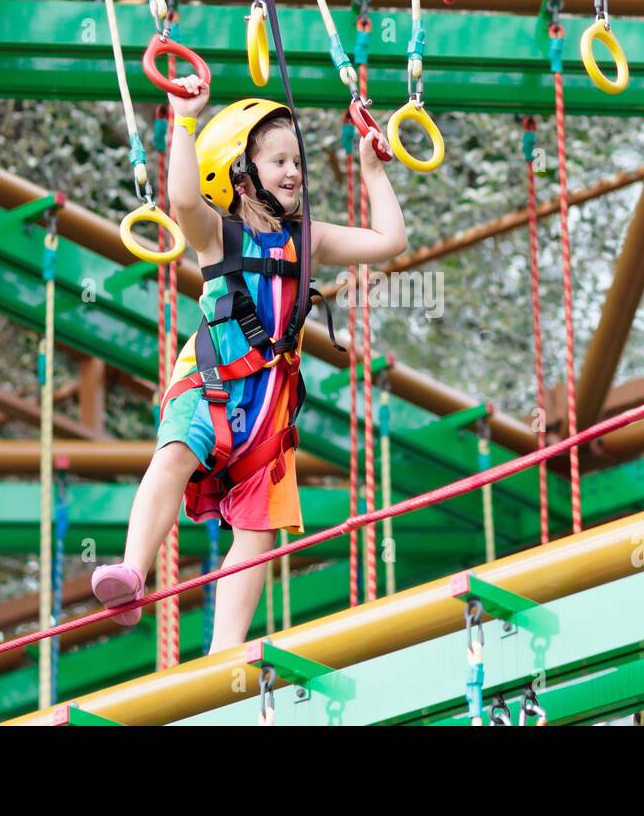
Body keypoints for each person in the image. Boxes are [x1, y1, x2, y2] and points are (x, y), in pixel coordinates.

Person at [90, 75, 407, 654]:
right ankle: (133, 572)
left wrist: (372, 168)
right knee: (174, 458)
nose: (293, 173)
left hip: (268, 414)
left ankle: (226, 649)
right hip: (211, 388)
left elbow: (390, 240)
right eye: (278, 160)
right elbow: (184, 200)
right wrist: (183, 121)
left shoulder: (307, 240)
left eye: (297, 162)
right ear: (240, 173)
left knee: (258, 530)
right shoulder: (219, 236)